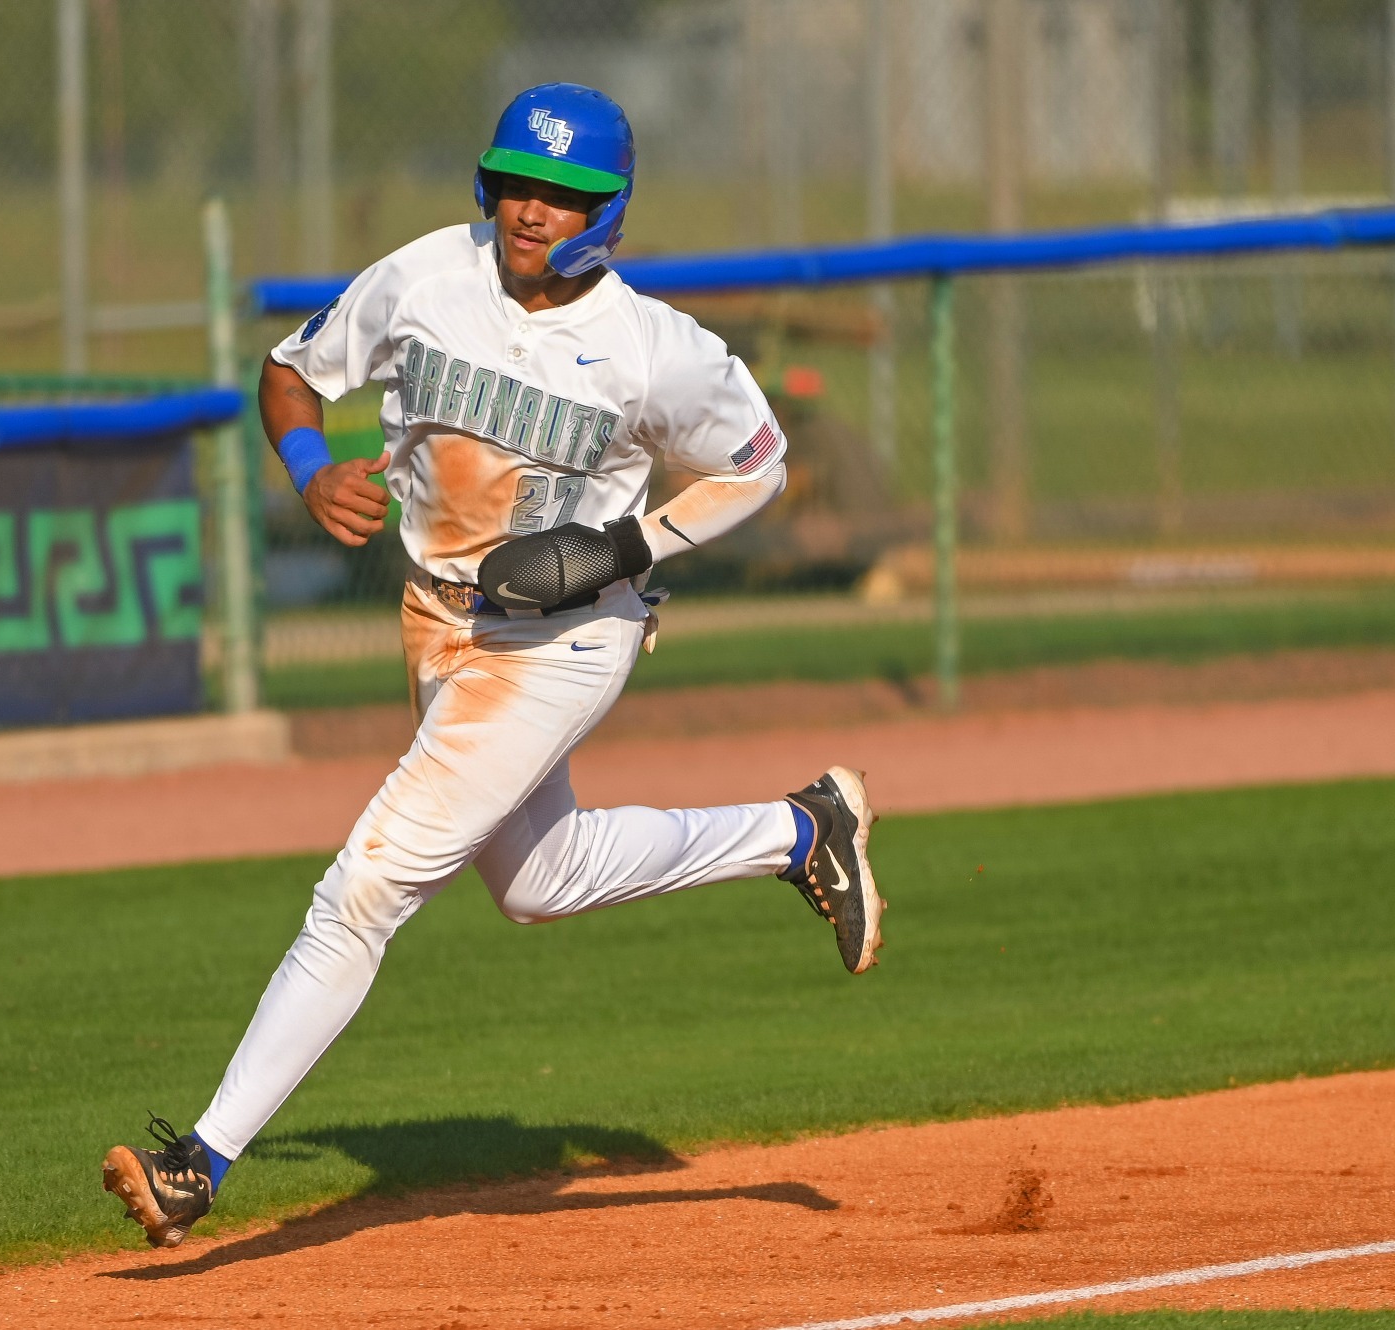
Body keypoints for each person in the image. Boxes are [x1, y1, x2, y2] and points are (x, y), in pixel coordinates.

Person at [102, 82, 884, 1250]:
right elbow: (289, 371)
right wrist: (311, 469)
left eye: (563, 194)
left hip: (568, 638)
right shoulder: (423, 277)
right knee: (537, 880)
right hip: (436, 619)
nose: (533, 209)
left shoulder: (653, 349)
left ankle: (198, 1161)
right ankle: (798, 832)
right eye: (518, 182)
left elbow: (758, 464)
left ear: (607, 208)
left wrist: (626, 544)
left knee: (364, 886)